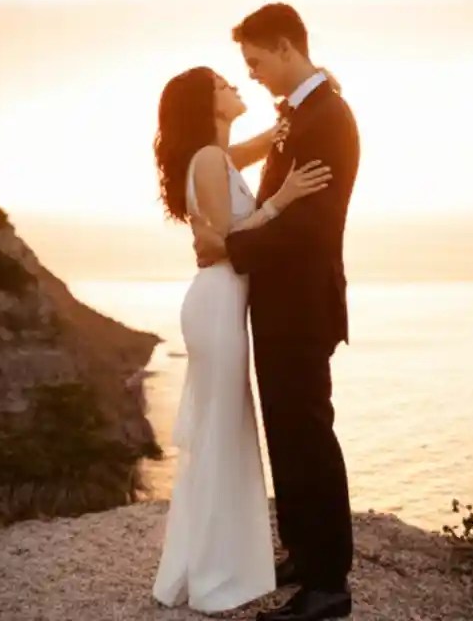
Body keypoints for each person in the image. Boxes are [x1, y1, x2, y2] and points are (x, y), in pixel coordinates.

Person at [192, 3, 361, 621]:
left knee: (308, 432)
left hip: (302, 301)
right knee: (287, 431)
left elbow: (309, 230)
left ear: (287, 47)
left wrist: (229, 247)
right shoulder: (303, 114)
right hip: (280, 299)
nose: (255, 74)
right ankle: (303, 551)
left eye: (257, 61)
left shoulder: (327, 119)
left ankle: (329, 584)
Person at [151, 66, 331, 613]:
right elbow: (228, 241)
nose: (236, 87)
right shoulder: (209, 159)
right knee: (223, 429)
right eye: (225, 84)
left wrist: (299, 111)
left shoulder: (219, 156)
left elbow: (251, 154)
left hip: (224, 303)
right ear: (208, 103)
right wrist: (284, 198)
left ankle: (219, 557)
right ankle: (215, 568)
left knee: (224, 428)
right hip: (217, 302)